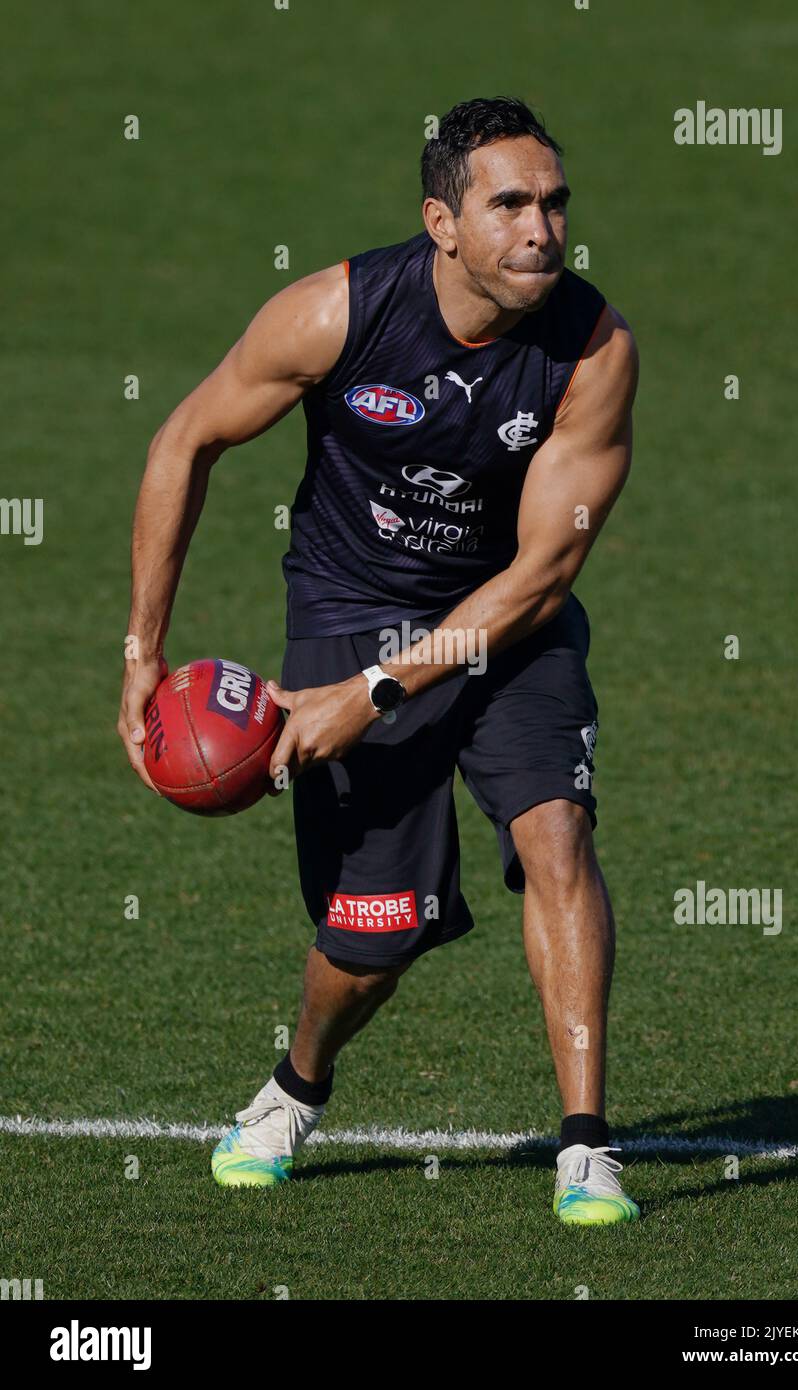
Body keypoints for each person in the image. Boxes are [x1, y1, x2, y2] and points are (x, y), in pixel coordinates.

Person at [118, 96, 639, 1225]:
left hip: (512, 620)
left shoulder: (593, 352)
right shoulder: (334, 314)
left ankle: (587, 1144)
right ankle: (299, 1080)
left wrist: (379, 693)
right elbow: (185, 439)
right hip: (351, 604)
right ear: (442, 222)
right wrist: (140, 651)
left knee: (556, 831)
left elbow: (541, 576)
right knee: (377, 932)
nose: (541, 229)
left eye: (554, 203)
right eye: (510, 205)